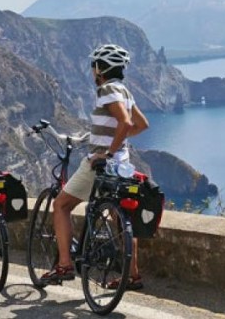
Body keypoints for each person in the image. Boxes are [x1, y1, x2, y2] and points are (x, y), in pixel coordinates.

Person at [41, 43, 150, 289]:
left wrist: (106, 152)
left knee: (61, 205)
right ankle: (132, 276)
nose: (92, 72)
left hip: (101, 164)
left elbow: (124, 122)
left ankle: (64, 265)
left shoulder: (107, 89)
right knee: (122, 221)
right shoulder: (124, 91)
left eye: (94, 67)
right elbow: (140, 125)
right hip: (122, 165)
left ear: (100, 68)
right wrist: (117, 145)